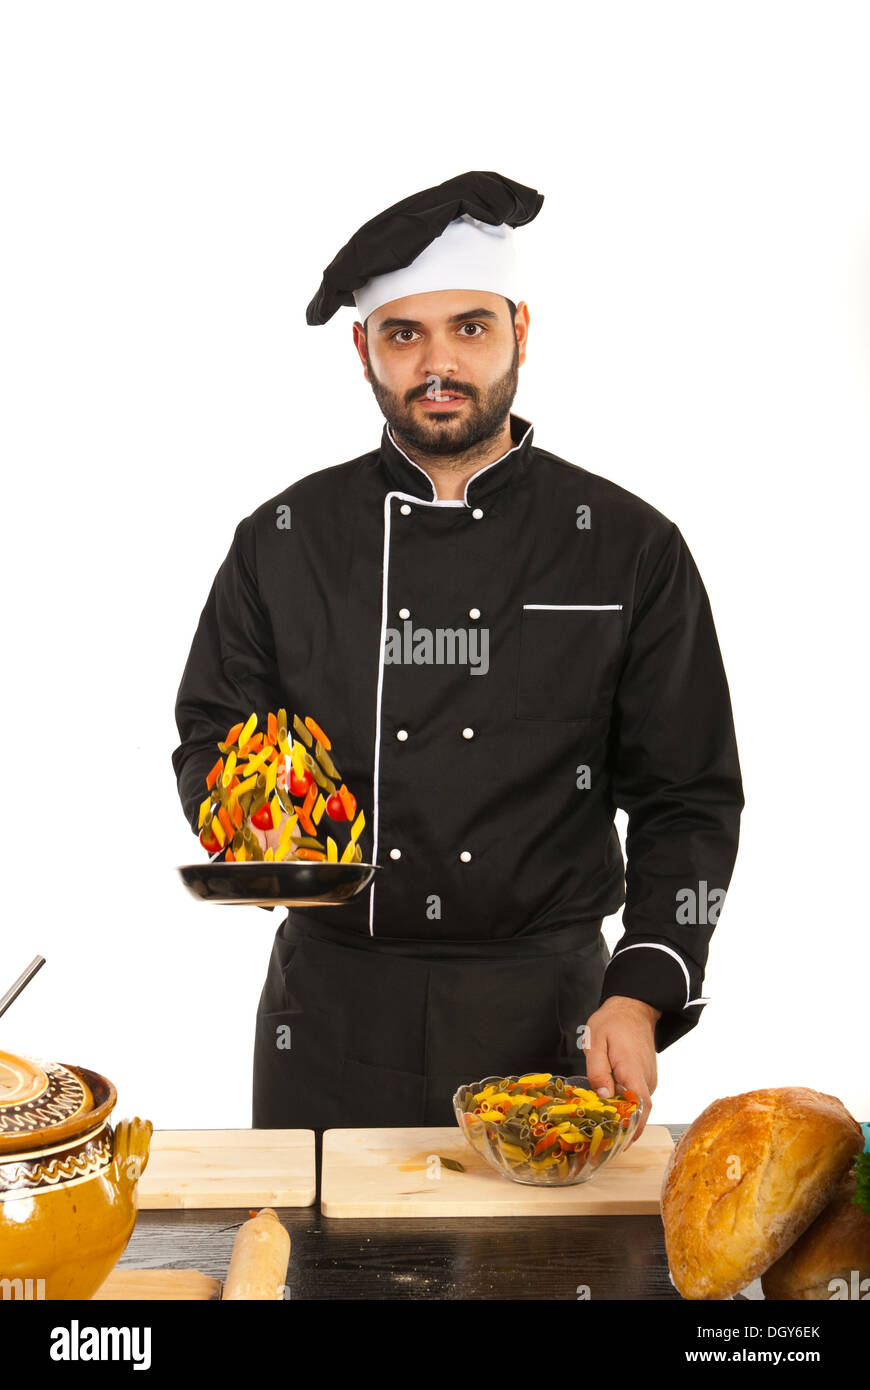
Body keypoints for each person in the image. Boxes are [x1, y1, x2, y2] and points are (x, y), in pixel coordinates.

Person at [171, 170, 744, 1139]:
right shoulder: (284, 536)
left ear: (522, 329)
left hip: (551, 1007)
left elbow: (688, 794)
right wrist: (262, 833)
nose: (439, 363)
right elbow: (216, 732)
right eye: (405, 334)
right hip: (331, 1009)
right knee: (318, 1277)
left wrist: (640, 991)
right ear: (364, 350)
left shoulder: (627, 542)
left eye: (470, 328)